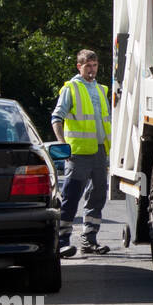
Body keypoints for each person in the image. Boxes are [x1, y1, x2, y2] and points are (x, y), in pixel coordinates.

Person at [51, 49, 111, 257]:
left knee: (98, 196)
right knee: (71, 197)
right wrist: (63, 145)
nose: (92, 69)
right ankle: (62, 241)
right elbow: (56, 118)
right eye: (88, 66)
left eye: (94, 65)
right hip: (77, 154)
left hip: (99, 153)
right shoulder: (72, 87)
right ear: (79, 67)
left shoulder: (101, 90)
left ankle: (89, 239)